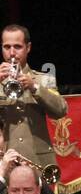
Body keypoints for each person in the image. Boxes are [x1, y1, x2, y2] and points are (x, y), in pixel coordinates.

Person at [0, 24, 66, 167]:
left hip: (37, 160)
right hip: (5, 159)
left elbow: (61, 110)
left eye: (17, 47)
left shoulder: (44, 79)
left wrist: (34, 87)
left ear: (28, 47)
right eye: (6, 47)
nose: (11, 53)